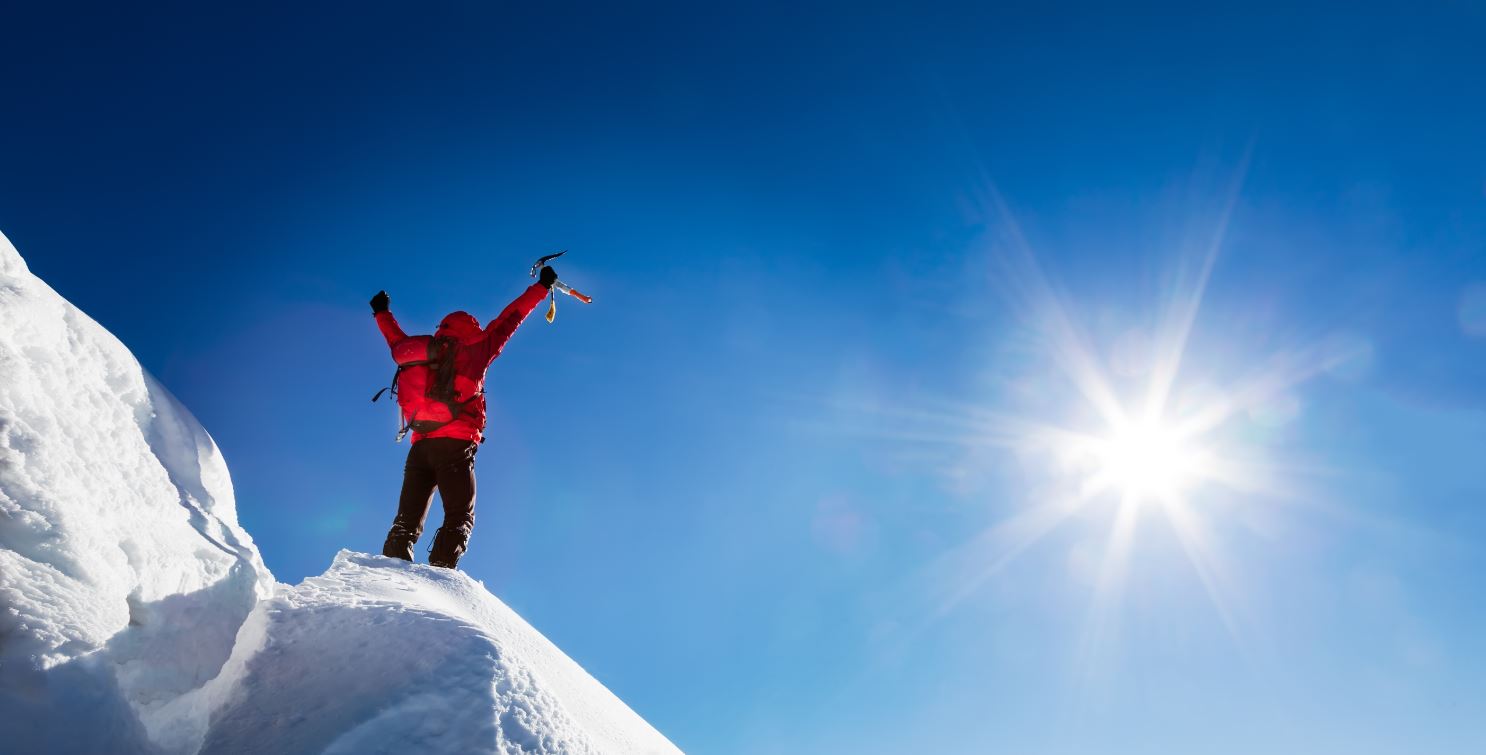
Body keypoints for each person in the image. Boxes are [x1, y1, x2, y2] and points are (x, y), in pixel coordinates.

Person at [369, 265, 556, 568]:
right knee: (459, 516)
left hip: (419, 446)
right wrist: (541, 287)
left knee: (407, 519)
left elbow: (394, 340)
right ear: (473, 327)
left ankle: (392, 571)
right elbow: (512, 317)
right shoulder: (478, 347)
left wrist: (381, 312)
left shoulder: (420, 352)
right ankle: (441, 574)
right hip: (455, 445)